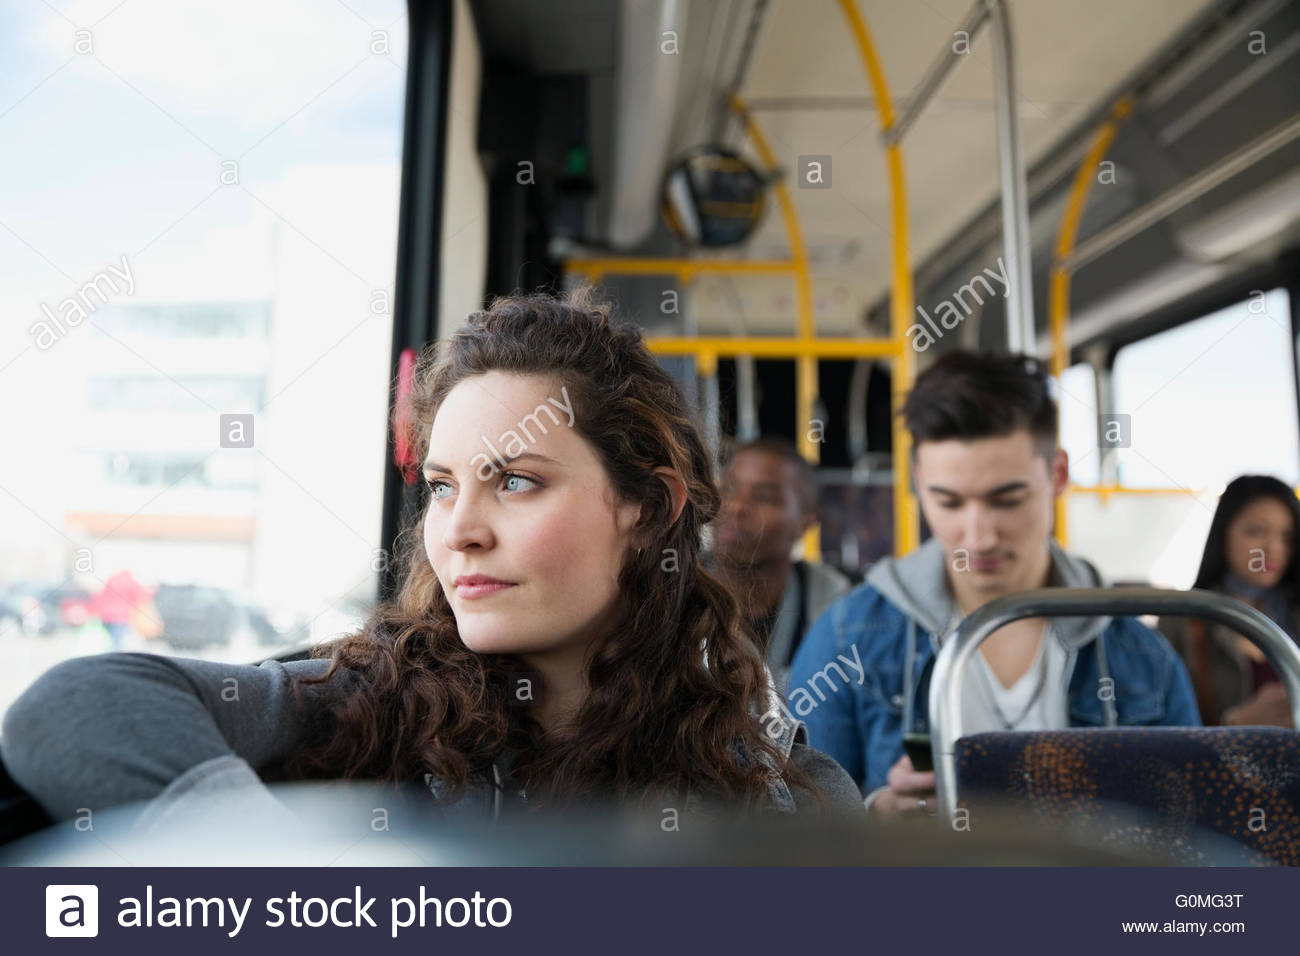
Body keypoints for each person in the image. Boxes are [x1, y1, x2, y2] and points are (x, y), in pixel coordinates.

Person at [1, 291, 861, 829]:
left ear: (648, 509)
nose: (458, 531)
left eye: (516, 482)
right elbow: (77, 707)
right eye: (444, 487)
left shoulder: (788, 792)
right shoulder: (370, 700)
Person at [787, 350, 1200, 817]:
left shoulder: (1142, 659)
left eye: (1007, 500)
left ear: (1058, 475)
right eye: (949, 502)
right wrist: (877, 815)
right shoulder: (847, 641)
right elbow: (804, 835)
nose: (978, 537)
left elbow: (1192, 838)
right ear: (920, 483)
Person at [712, 437, 852, 694]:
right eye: (729, 489)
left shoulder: (834, 609)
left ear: (805, 523)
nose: (737, 507)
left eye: (764, 497)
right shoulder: (670, 592)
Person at [1159, 475, 1300, 727]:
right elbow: (1159, 736)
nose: (1273, 548)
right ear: (1223, 533)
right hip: (1217, 765)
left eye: (1287, 537)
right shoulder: (1182, 619)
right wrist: (1234, 726)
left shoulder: (1294, 613)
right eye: (1256, 531)